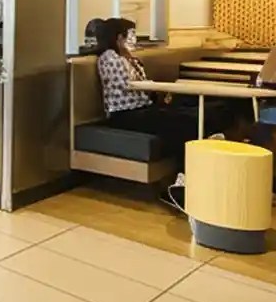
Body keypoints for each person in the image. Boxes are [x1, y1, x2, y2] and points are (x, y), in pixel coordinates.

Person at [95, 18, 232, 209]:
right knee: (184, 124)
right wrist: (155, 88)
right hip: (125, 114)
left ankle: (200, 172)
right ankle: (181, 184)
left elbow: (140, 85)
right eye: (131, 35)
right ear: (120, 37)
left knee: (204, 113)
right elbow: (128, 85)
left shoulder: (128, 57)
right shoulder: (109, 57)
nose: (135, 40)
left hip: (142, 108)